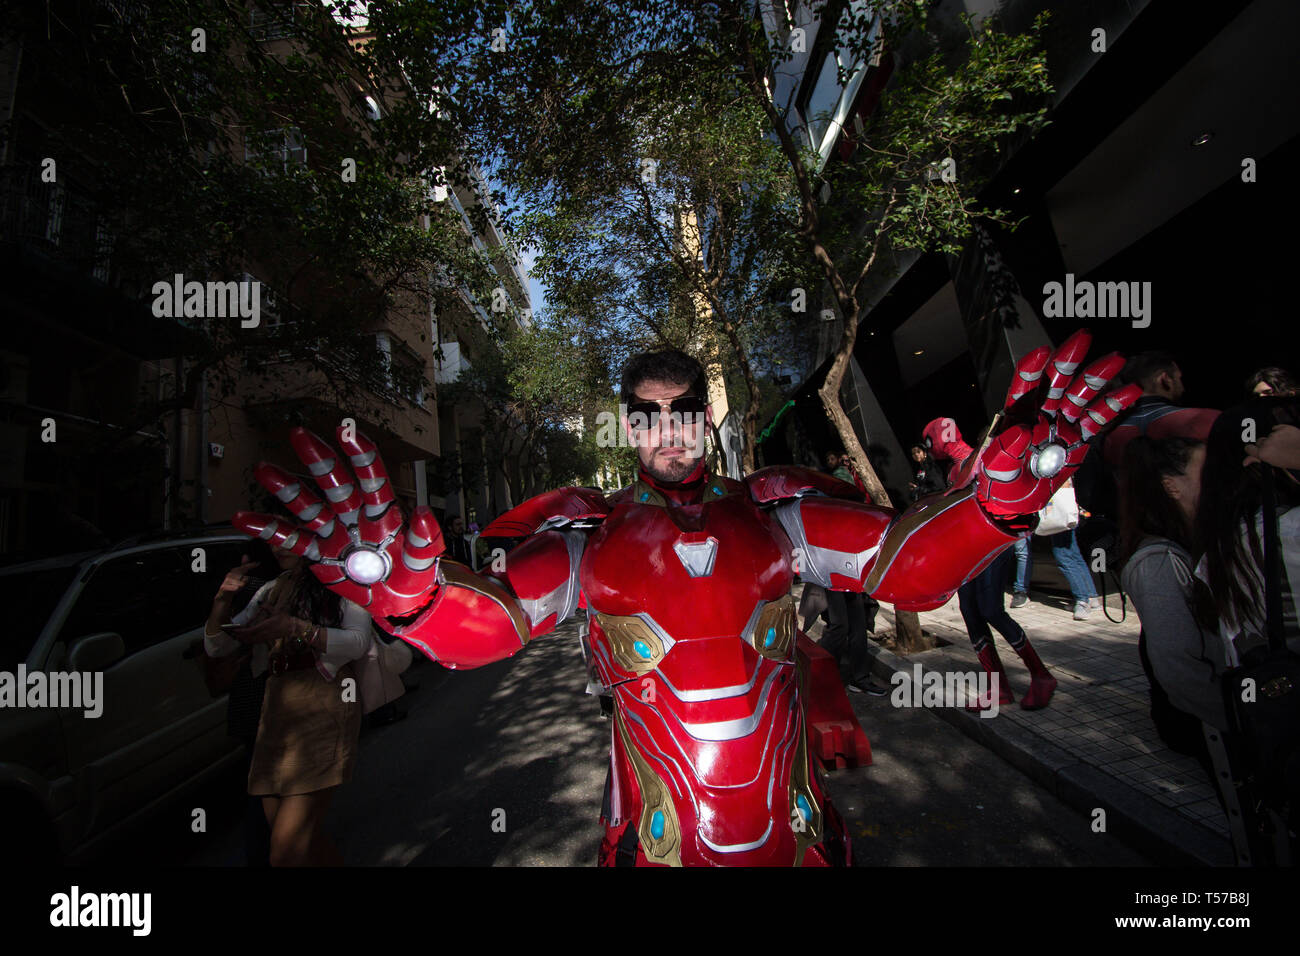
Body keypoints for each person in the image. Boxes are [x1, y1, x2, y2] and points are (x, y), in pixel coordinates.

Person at [232, 332, 1136, 866]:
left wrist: (996, 504)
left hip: (798, 835)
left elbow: (905, 568)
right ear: (629, 424)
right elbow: (493, 629)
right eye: (648, 411)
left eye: (684, 408)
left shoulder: (777, 514)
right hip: (657, 842)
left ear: (706, 417)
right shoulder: (589, 538)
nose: (669, 428)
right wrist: (408, 595)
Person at [204, 540, 372, 866]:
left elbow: (357, 641)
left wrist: (296, 628)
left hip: (324, 702)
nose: (278, 545)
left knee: (285, 852)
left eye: (287, 535)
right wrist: (222, 598)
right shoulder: (271, 588)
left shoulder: (342, 580)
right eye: (273, 537)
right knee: (304, 842)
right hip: (277, 708)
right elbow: (217, 646)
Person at [923, 416, 1056, 711]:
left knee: (992, 610)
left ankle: (1041, 675)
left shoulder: (979, 460)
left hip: (993, 546)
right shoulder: (957, 469)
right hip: (967, 551)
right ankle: (999, 688)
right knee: (970, 611)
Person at [1118, 436, 1225, 781]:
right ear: (1171, 486)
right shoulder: (1158, 562)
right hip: (1213, 727)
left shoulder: (1202, 540)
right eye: (1207, 472)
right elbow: (1180, 670)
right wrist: (1241, 719)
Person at [1103, 351, 1220, 466]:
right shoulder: (1205, 419)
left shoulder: (1106, 434)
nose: (1183, 389)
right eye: (1179, 378)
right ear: (1164, 379)